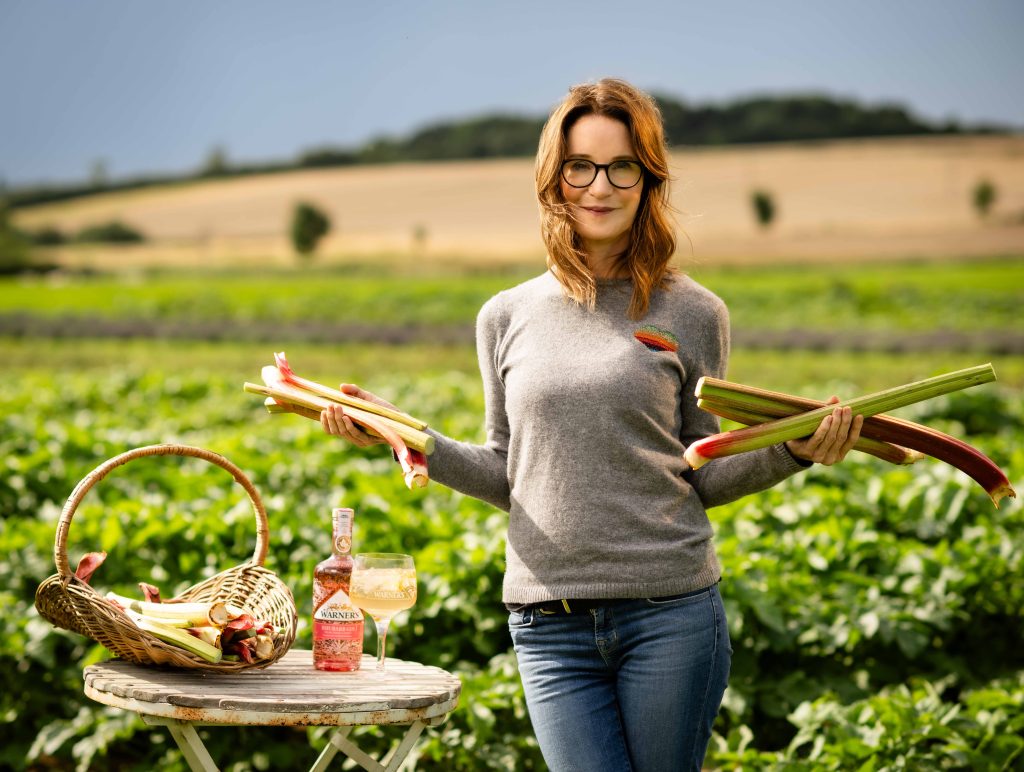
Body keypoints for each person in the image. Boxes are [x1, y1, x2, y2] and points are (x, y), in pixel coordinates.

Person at [320, 78, 863, 772]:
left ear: (648, 179)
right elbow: (505, 471)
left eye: (621, 166)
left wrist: (793, 451)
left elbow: (706, 467)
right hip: (548, 627)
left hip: (669, 614)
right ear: (554, 179)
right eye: (580, 166)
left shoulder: (694, 312)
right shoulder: (505, 315)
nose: (599, 186)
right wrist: (403, 435)